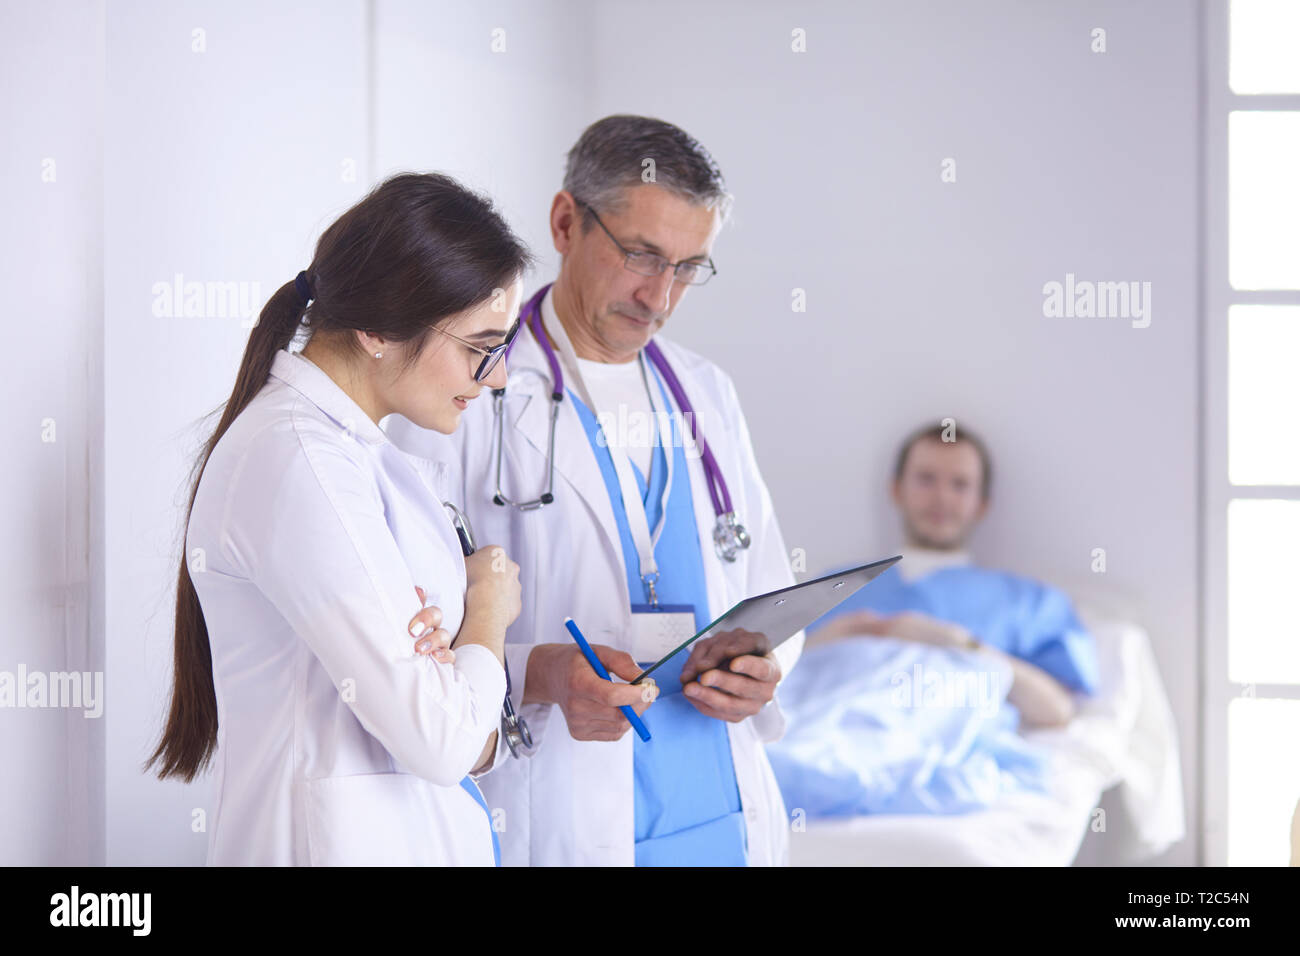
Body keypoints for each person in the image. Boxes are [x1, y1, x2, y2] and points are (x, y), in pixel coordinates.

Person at [387, 115, 802, 866]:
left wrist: (764, 669)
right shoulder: (466, 386)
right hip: (560, 805)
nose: (660, 295)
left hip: (722, 808)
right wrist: (541, 673)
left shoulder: (707, 394)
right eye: (642, 255)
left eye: (688, 267)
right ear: (565, 222)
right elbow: (406, 639)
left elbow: (771, 590)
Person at [147, 172, 530, 865]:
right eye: (479, 348)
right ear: (378, 329)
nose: (497, 377)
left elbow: (450, 722)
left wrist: (454, 668)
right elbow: (442, 740)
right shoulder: (301, 461)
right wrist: (488, 612)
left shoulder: (353, 454)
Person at [807, 422, 1100, 727]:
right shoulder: (831, 589)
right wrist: (834, 637)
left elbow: (1057, 711)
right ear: (896, 490)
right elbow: (780, 685)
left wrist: (960, 645)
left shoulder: (1027, 603)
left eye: (960, 485)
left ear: (982, 505)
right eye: (926, 479)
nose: (942, 498)